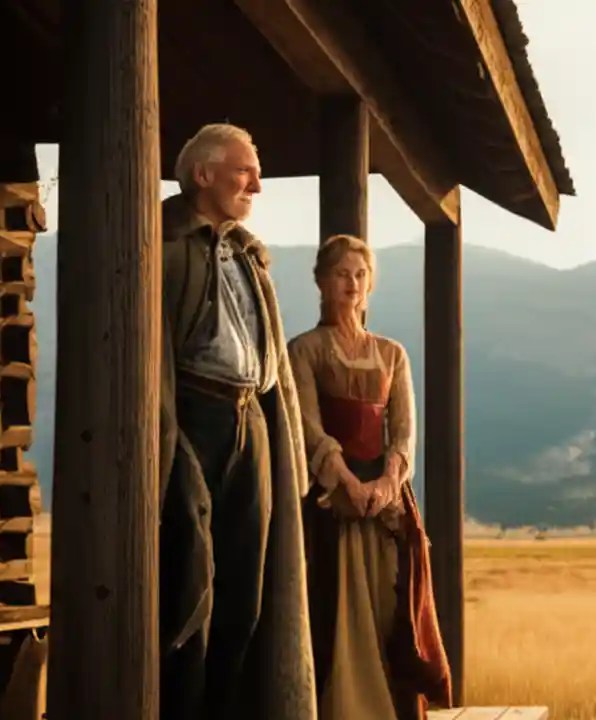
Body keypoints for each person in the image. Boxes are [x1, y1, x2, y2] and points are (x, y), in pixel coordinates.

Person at [158, 123, 316, 719]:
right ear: (204, 175)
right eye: (245, 170)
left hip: (250, 421)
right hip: (191, 418)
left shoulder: (250, 254)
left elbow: (270, 356)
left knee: (245, 594)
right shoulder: (166, 244)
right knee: (188, 584)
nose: (258, 183)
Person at [288, 234, 453, 720]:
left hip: (386, 506)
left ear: (371, 284)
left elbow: (404, 434)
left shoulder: (392, 354)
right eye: (341, 274)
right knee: (336, 612)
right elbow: (308, 427)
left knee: (393, 611)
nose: (352, 284)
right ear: (321, 280)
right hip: (332, 498)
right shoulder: (305, 350)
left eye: (361, 275)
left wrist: (384, 486)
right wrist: (346, 481)